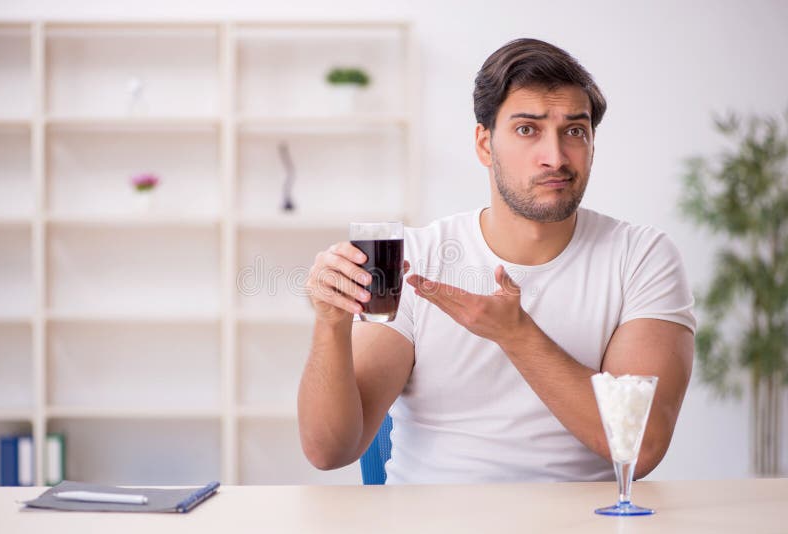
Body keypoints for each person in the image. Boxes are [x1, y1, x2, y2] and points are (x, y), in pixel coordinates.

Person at [298, 38, 695, 484]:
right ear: (484, 145)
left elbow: (640, 448)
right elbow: (329, 450)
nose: (556, 157)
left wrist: (516, 335)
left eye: (575, 131)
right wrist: (330, 325)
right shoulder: (415, 259)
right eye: (528, 129)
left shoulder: (641, 258)